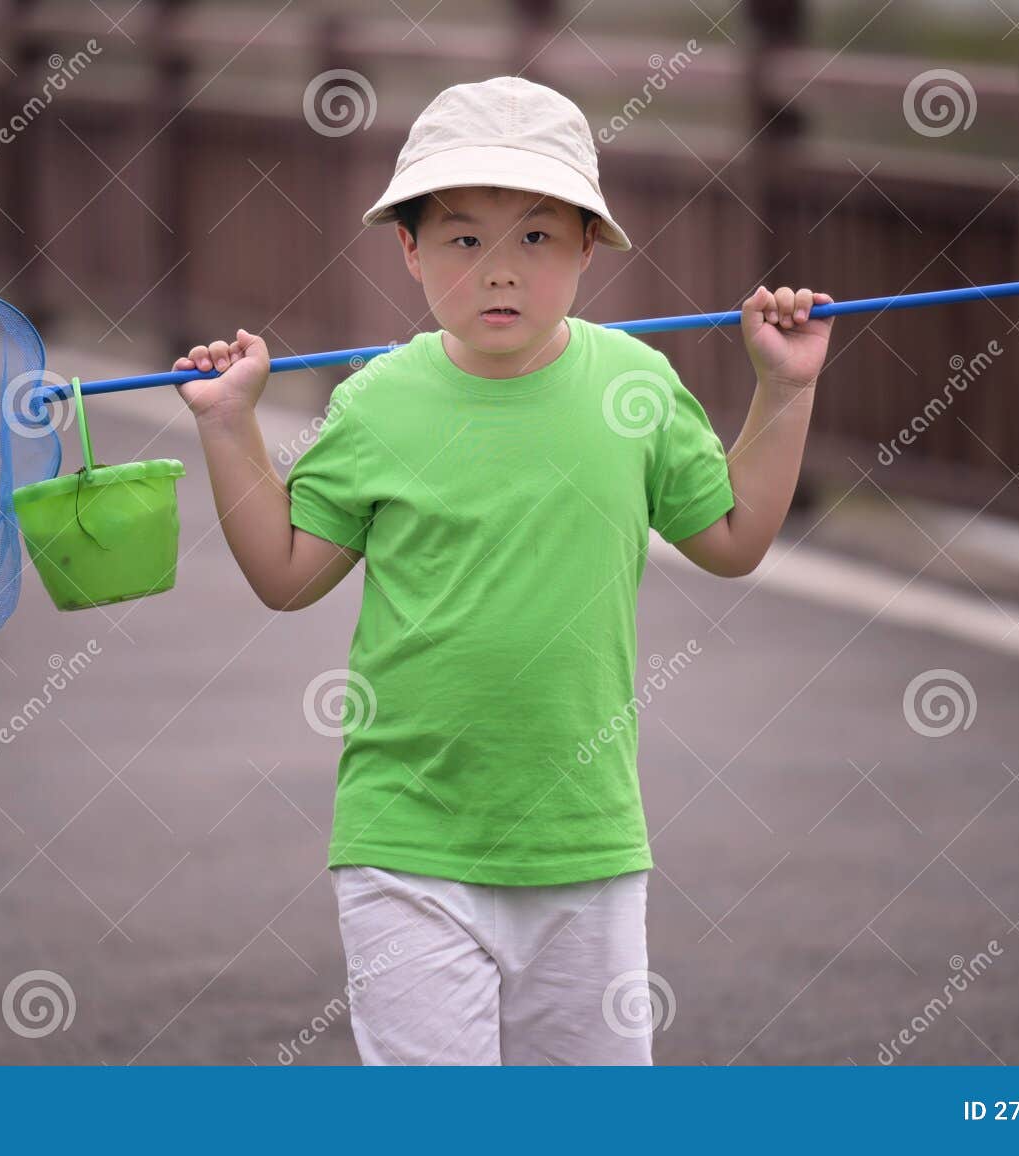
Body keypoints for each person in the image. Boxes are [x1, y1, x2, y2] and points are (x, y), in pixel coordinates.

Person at [171, 75, 834, 1065]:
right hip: (406, 845)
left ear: (586, 247)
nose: (499, 272)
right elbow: (286, 574)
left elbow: (733, 539)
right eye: (463, 239)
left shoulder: (634, 386)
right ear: (409, 249)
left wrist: (784, 388)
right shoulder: (376, 403)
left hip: (585, 842)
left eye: (534, 237)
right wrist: (229, 425)